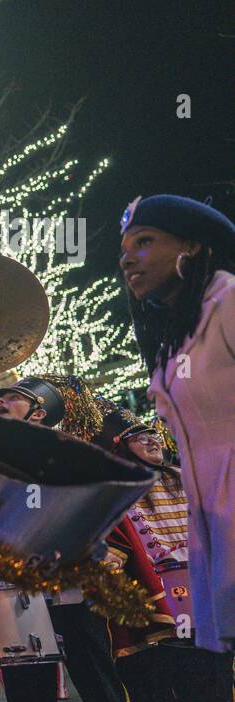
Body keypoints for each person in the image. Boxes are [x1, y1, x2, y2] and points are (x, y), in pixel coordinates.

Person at [0, 373, 164, 702]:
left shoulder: (73, 454)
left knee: (107, 701)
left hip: (73, 589)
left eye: (11, 398)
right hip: (15, 596)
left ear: (40, 409)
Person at [88, 399, 235, 702]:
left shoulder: (192, 480)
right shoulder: (109, 494)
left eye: (153, 432)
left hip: (204, 627)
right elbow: (105, 561)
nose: (152, 438)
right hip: (149, 631)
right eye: (139, 436)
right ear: (117, 447)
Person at [119, 194, 235, 655]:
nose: (128, 258)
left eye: (144, 242)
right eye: (123, 250)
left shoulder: (227, 303)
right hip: (212, 517)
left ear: (191, 247)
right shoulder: (179, 330)